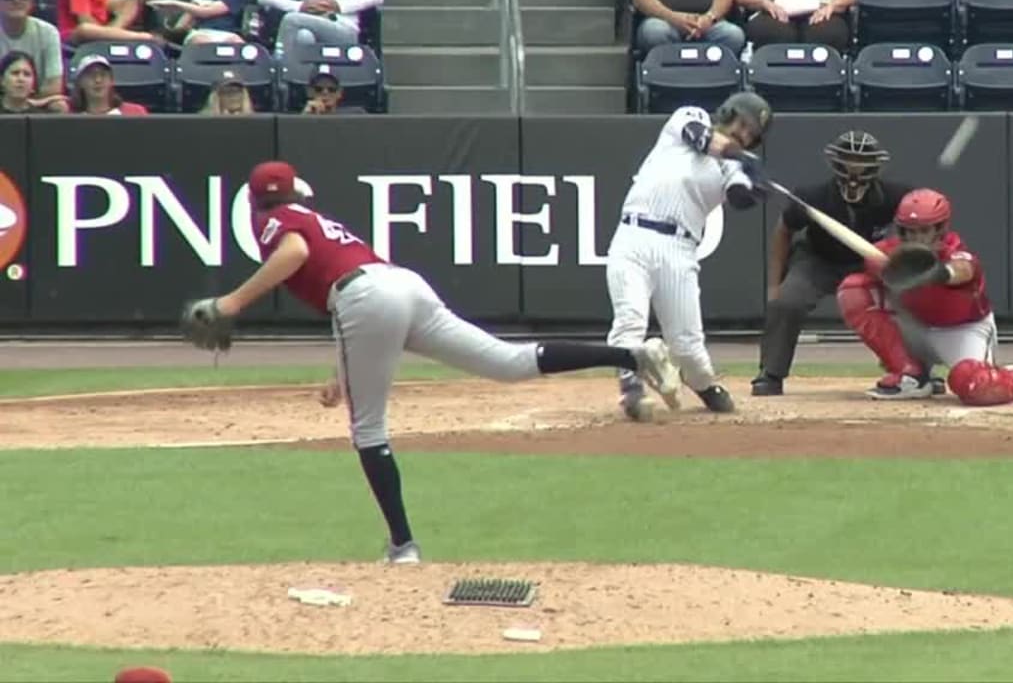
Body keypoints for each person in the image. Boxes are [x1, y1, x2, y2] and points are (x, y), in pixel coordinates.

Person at [182, 160, 681, 563]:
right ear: (296, 191)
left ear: (256, 201)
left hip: (364, 299)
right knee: (508, 362)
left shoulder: (270, 219)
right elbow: (347, 286)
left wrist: (231, 303)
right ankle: (635, 354)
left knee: (369, 430)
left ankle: (403, 547)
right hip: (401, 284)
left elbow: (296, 255)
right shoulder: (312, 216)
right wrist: (342, 372)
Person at [605, 92, 771, 421]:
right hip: (633, 235)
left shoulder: (733, 167)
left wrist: (755, 186)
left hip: (679, 250)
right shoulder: (689, 117)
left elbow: (738, 197)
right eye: (743, 124)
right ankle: (631, 390)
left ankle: (703, 384)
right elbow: (701, 139)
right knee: (630, 320)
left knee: (687, 346)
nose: (744, 134)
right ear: (729, 113)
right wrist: (742, 156)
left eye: (752, 133)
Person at [837, 188, 1013, 405]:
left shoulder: (956, 251)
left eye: (924, 231)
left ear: (939, 229)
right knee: (854, 289)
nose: (917, 237)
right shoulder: (888, 253)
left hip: (961, 331)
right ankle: (911, 375)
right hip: (914, 326)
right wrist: (886, 267)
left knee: (976, 386)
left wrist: (935, 273)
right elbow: (867, 275)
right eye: (910, 231)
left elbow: (963, 270)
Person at [751, 130, 910, 397]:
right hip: (818, 259)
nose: (855, 168)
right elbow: (783, 231)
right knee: (787, 302)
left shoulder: (895, 196)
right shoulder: (812, 196)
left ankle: (912, 370)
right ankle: (770, 373)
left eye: (862, 161)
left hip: (868, 262)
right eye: (849, 160)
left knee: (906, 301)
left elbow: (916, 226)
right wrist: (774, 285)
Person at [256, 0, 384, 59]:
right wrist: (299, 6)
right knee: (304, 37)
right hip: (309, 25)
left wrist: (339, 6)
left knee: (291, 20)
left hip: (344, 27)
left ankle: (279, 68)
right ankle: (302, 84)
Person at [0, 0, 65, 98]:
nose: (16, 0)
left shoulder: (48, 32)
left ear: (31, 2)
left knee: (59, 105)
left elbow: (54, 85)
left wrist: (26, 103)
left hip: (37, 99)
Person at [68, 54, 149, 115]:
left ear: (111, 80)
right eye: (91, 75)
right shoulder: (71, 117)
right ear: (80, 82)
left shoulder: (135, 112)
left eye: (103, 75)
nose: (98, 80)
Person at [0, 51, 70, 114]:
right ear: (2, 80)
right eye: (15, 73)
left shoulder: (40, 117)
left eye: (27, 74)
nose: (21, 79)